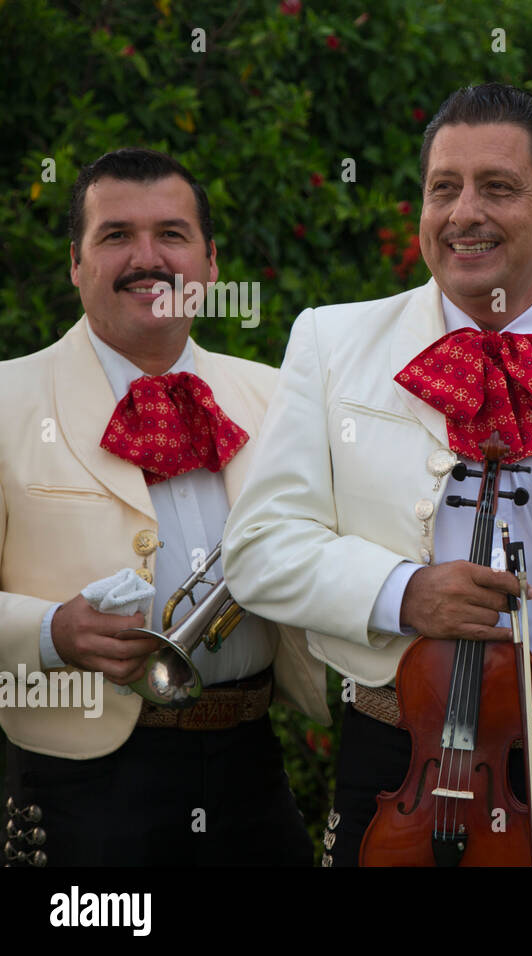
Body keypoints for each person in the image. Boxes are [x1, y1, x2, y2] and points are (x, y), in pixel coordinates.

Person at [222, 83, 532, 867]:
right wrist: (402, 591)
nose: (465, 213)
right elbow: (259, 548)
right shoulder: (330, 344)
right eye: (444, 188)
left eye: (497, 187)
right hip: (395, 758)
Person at [0, 148, 328, 866]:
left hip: (250, 768)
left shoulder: (279, 397)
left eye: (171, 235)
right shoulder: (5, 401)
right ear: (76, 263)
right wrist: (51, 632)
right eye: (116, 235)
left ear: (210, 265)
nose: (146, 259)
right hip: (80, 787)